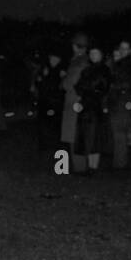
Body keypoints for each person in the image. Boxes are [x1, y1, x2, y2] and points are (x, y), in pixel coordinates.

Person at [72, 42, 110, 172]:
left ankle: (94, 166)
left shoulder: (104, 69)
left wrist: (86, 88)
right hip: (85, 106)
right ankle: (86, 165)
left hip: (95, 107)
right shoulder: (87, 69)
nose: (93, 56)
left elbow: (99, 87)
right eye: (92, 53)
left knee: (95, 137)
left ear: (101, 55)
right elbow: (78, 86)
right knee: (84, 135)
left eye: (96, 53)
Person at [59, 32, 89, 169]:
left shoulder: (78, 62)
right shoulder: (86, 60)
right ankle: (81, 165)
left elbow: (68, 83)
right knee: (78, 133)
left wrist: (63, 80)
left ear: (75, 47)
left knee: (74, 134)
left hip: (74, 100)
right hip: (80, 100)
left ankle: (79, 167)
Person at [107, 40, 131, 171]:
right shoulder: (119, 63)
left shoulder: (128, 64)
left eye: (126, 48)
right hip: (117, 100)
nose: (123, 51)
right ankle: (118, 161)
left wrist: (112, 86)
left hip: (122, 100)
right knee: (117, 131)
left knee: (119, 131)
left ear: (130, 50)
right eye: (121, 48)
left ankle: (120, 164)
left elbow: (126, 83)